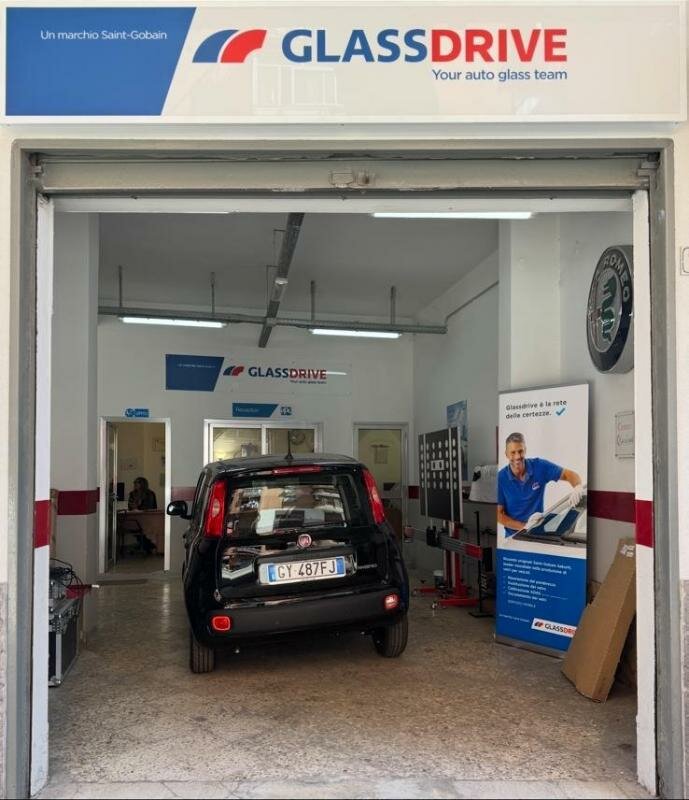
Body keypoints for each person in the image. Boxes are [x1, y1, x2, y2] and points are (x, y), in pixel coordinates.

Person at [497, 432, 584, 537]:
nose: (517, 456)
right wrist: (524, 527)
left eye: (520, 451)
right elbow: (499, 514)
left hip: (537, 534)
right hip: (513, 537)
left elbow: (568, 474)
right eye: (513, 452)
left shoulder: (539, 466)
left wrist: (578, 486)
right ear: (506, 454)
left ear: (525, 450)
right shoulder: (500, 478)